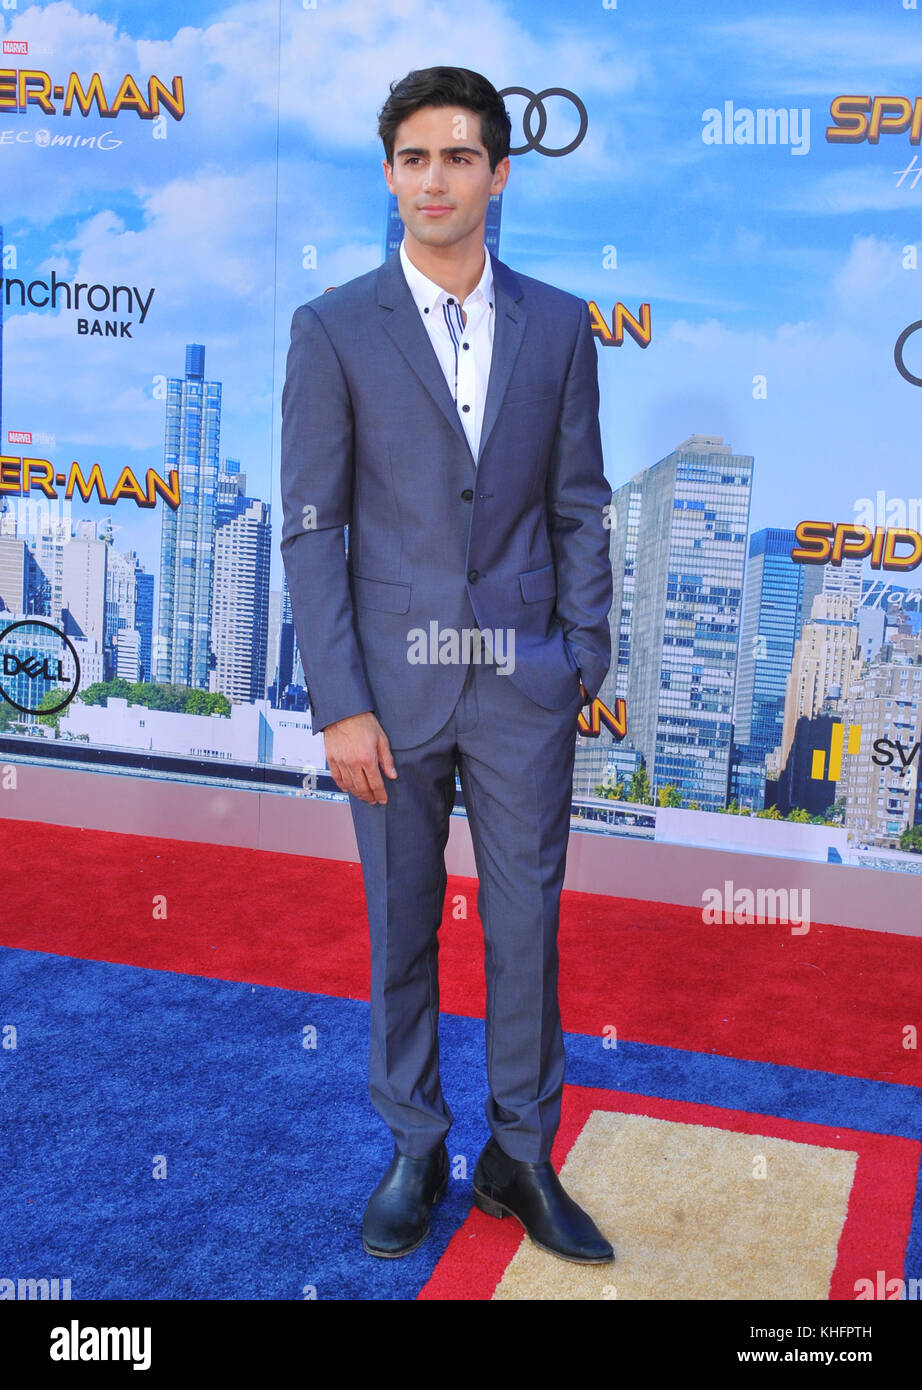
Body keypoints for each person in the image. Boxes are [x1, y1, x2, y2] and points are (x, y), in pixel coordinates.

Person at [280, 66, 614, 1265]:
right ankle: (415, 1143)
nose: (435, 179)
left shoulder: (561, 323)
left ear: (499, 175)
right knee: (401, 925)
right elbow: (314, 528)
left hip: (524, 680)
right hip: (390, 688)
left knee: (526, 927)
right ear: (389, 175)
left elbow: (579, 504)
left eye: (459, 157)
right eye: (413, 158)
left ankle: (519, 1156)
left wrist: (583, 657)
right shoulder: (330, 328)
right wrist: (342, 704)